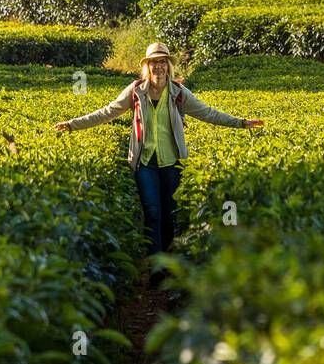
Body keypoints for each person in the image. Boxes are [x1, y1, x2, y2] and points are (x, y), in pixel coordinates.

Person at [54, 42, 264, 264]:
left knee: (169, 214)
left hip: (172, 162)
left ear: (168, 66)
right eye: (154, 62)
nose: (159, 67)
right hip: (145, 163)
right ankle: (155, 265)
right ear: (147, 67)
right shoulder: (136, 91)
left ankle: (169, 264)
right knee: (152, 213)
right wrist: (72, 124)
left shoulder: (179, 93)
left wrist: (241, 123)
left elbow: (208, 113)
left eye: (162, 62)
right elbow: (108, 112)